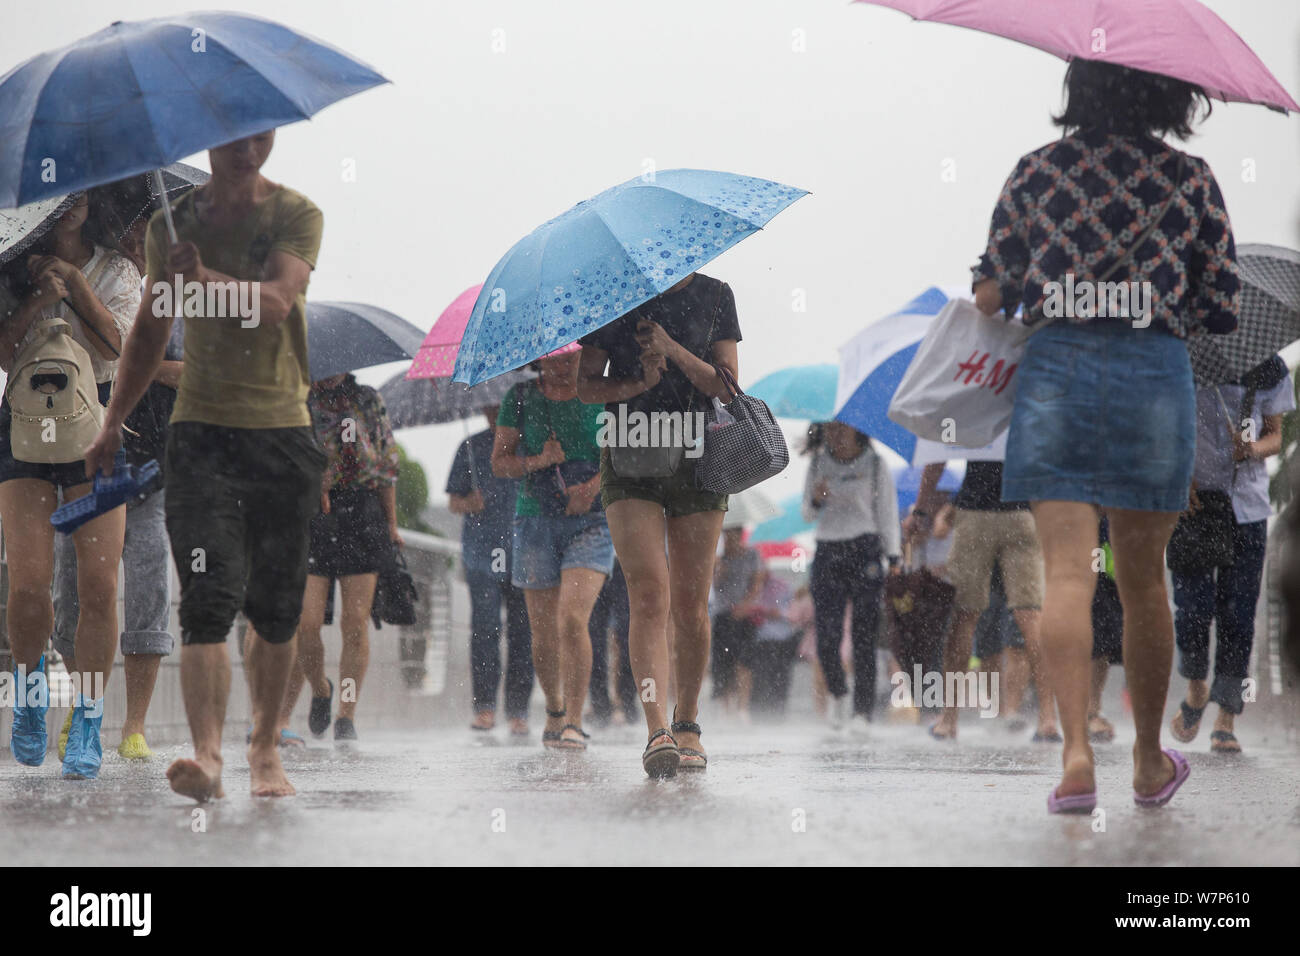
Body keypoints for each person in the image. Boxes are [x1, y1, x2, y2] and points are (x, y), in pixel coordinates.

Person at [971, 60, 1239, 812]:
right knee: (1144, 578)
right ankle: (1150, 760)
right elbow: (1221, 305)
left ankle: (1077, 756)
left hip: (1057, 367)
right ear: (1167, 92)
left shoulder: (1038, 172)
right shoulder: (1190, 179)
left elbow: (993, 291)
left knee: (1065, 574)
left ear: (1076, 92)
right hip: (1152, 374)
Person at [85, 129, 327, 801]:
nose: (249, 145)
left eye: (262, 132)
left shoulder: (296, 214)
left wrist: (205, 279)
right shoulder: (173, 226)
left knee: (275, 612)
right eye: (234, 133)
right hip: (200, 438)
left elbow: (277, 305)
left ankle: (265, 751)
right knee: (206, 601)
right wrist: (112, 424)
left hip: (282, 433)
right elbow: (150, 333)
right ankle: (209, 755)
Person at [577, 270, 740, 777]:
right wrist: (638, 382)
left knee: (691, 604)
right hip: (629, 455)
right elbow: (585, 387)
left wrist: (671, 348)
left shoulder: (716, 295)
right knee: (648, 596)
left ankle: (687, 721)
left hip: (701, 455)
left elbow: (728, 387)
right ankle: (656, 731)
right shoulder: (611, 294)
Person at [0, 192, 136, 779]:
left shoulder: (120, 271)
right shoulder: (9, 262)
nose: (72, 198)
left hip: (98, 426)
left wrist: (78, 287)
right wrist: (37, 295)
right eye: (58, 188)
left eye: (84, 185)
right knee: (29, 585)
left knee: (100, 585)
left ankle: (87, 711)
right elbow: (5, 353)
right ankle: (29, 690)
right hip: (24, 426)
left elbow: (123, 350)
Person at [53, 318, 184, 763]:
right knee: (69, 597)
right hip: (84, 475)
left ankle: (135, 727)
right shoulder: (95, 298)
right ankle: (86, 702)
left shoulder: (180, 313)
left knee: (150, 593)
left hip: (150, 477)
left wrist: (139, 362)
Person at [1169, 356, 1292, 755]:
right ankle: (1196, 686)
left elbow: (1276, 434)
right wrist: (1178, 474)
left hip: (1248, 509)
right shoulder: (1183, 359)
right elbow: (1167, 427)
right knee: (1191, 607)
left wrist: (1252, 448)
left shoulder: (1268, 368)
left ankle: (1226, 718)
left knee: (1238, 615)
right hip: (1194, 504)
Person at [492, 346, 611, 751]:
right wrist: (539, 460)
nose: (562, 369)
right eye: (553, 360)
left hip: (593, 522)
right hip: (535, 519)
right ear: (537, 359)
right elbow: (500, 463)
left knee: (572, 619)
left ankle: (576, 720)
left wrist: (592, 488)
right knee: (541, 631)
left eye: (570, 360)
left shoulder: (602, 394)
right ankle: (555, 710)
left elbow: (622, 453)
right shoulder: (520, 398)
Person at [277, 372, 401, 744]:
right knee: (307, 622)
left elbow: (387, 463)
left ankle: (346, 713)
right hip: (314, 514)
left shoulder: (367, 398)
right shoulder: (301, 401)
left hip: (363, 512)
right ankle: (321, 689)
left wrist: (392, 525)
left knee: (354, 622)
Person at [910, 460, 1054, 742]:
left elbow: (936, 461)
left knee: (964, 616)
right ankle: (1048, 718)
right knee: (1031, 616)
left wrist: (921, 510)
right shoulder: (1025, 413)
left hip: (975, 513)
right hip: (1021, 511)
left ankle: (949, 721)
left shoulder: (967, 414)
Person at [803, 421, 900, 729]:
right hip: (828, 549)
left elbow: (886, 510)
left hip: (865, 549)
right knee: (827, 635)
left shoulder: (874, 462)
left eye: (841, 429)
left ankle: (862, 712)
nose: (835, 435)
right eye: (829, 429)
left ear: (858, 429)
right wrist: (817, 498)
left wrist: (893, 555)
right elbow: (807, 513)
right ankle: (839, 694)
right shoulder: (818, 461)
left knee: (864, 635)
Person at [446, 404, 533, 735]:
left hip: (524, 550)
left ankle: (518, 711)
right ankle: (484, 708)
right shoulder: (470, 447)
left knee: (523, 632)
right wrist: (470, 503)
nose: (492, 411)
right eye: (488, 405)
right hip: (482, 553)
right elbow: (455, 501)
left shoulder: (529, 444)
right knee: (484, 628)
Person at [710, 527, 763, 718]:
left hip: (745, 615)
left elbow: (757, 583)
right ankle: (725, 707)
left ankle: (743, 708)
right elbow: (710, 586)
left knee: (745, 662)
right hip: (722, 614)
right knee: (722, 663)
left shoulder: (752, 555)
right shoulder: (718, 558)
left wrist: (745, 605)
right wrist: (717, 570)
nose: (729, 539)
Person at [588, 560, 636, 726]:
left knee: (628, 636)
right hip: (594, 560)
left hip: (624, 560)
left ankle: (627, 702)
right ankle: (599, 703)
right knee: (594, 640)